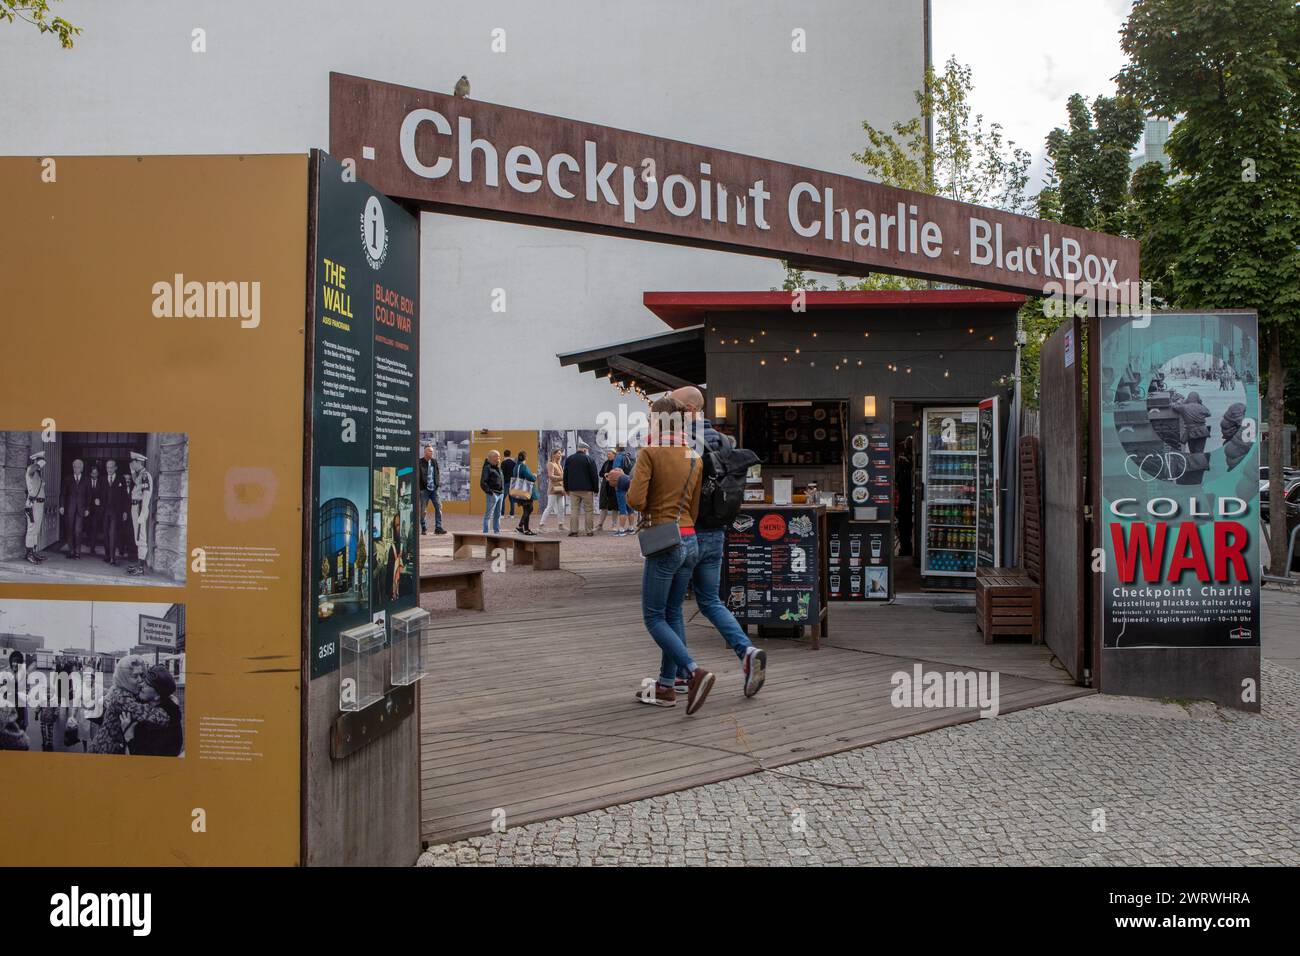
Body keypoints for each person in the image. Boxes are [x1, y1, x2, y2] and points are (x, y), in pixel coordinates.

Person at [669, 385, 767, 698]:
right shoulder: (724, 440)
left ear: (688, 410)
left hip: (688, 532)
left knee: (671, 609)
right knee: (710, 600)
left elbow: (672, 486)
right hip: (716, 531)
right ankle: (747, 653)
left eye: (673, 405)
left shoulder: (683, 441)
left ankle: (683, 676)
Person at [626, 397, 715, 714]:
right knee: (673, 611)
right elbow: (693, 508)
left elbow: (635, 500)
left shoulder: (649, 452)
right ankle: (665, 685)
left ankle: (692, 672)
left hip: (664, 541)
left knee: (653, 616)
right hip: (691, 539)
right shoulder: (695, 455)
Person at [88, 655, 171, 756]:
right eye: (135, 676)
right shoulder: (121, 698)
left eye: (142, 675)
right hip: (105, 751)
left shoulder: (126, 691)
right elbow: (162, 718)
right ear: (124, 679)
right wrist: (167, 700)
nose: (140, 680)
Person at [130, 665, 183, 757]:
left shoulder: (165, 724)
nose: (141, 685)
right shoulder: (143, 705)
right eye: (144, 681)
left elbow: (145, 759)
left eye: (147, 684)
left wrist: (129, 736)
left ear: (157, 696)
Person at [563, 441, 600, 536]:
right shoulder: (589, 459)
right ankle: (589, 531)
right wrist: (596, 489)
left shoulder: (569, 459)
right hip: (587, 490)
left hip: (573, 489)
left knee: (574, 510)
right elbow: (594, 476)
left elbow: (565, 475)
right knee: (588, 510)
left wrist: (566, 488)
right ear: (584, 449)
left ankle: (574, 531)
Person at [126, 451, 152, 576]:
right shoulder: (141, 474)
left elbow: (146, 495)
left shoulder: (145, 475)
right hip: (136, 507)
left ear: (139, 462)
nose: (132, 464)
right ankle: (139, 564)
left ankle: (141, 568)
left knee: (141, 538)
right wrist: (132, 472)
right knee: (138, 536)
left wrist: (143, 512)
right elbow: (137, 482)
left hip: (140, 508)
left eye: (133, 462)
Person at [59, 458, 90, 559]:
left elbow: (89, 496)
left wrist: (87, 508)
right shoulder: (67, 479)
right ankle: (71, 551)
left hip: (81, 510)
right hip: (69, 509)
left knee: (78, 530)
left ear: (82, 468)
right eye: (74, 467)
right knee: (70, 530)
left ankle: (78, 552)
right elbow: (63, 494)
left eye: (78, 467)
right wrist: (62, 506)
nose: (76, 469)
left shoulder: (86, 480)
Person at [102, 458, 128, 566]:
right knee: (105, 534)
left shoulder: (121, 479)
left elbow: (125, 497)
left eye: (111, 467)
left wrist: (125, 511)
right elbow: (98, 494)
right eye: (107, 467)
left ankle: (113, 557)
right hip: (104, 511)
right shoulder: (102, 479)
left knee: (112, 533)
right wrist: (97, 500)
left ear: (116, 467)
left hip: (116, 511)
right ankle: (107, 555)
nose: (109, 469)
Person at [24, 450, 47, 565]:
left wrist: (39, 466)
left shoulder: (37, 474)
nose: (42, 463)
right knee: (32, 529)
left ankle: (33, 551)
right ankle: (29, 554)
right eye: (40, 460)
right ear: (35, 461)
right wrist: (38, 464)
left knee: (36, 529)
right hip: (33, 504)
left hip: (39, 504)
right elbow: (29, 469)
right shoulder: (31, 471)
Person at [537, 448, 567, 533]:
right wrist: (562, 478)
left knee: (561, 507)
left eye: (560, 453)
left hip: (560, 489)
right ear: (553, 454)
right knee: (549, 507)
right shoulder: (551, 464)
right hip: (553, 489)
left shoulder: (559, 464)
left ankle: (561, 525)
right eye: (558, 453)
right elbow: (551, 476)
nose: (560, 455)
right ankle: (541, 525)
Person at [419, 444, 446, 535]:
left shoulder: (434, 461)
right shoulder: (420, 462)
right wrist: (421, 487)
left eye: (432, 451)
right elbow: (418, 476)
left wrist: (437, 484)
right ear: (425, 452)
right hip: (424, 490)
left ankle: (438, 527)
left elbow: (437, 473)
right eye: (430, 451)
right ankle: (424, 527)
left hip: (434, 490)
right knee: (423, 510)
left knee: (439, 507)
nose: (432, 453)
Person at [512, 450, 540, 535]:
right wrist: (534, 476)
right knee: (528, 509)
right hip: (526, 491)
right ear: (525, 458)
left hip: (519, 491)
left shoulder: (516, 467)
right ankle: (523, 527)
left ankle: (523, 528)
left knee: (527, 509)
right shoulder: (524, 466)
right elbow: (530, 477)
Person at [611, 445, 634, 536]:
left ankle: (621, 529)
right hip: (630, 482)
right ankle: (631, 528)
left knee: (622, 507)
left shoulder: (618, 457)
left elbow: (615, 470)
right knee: (630, 507)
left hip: (620, 482)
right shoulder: (629, 456)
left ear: (617, 449)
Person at [480, 450, 505, 533]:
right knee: (488, 515)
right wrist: (491, 492)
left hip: (500, 494)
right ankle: (486, 533)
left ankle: (497, 532)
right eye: (496, 456)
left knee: (497, 515)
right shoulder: (487, 468)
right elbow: (483, 483)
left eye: (499, 456)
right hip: (493, 494)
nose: (498, 458)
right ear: (491, 458)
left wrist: (502, 491)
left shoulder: (498, 467)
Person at [596, 449, 618, 532]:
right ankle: (600, 525)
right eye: (607, 454)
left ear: (614, 455)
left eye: (609, 454)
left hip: (614, 487)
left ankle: (614, 525)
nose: (608, 455)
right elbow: (600, 473)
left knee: (615, 507)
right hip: (605, 487)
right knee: (603, 506)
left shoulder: (617, 463)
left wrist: (612, 475)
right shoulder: (606, 463)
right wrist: (605, 474)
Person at [86, 465, 105, 557]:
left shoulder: (102, 481)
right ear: (90, 473)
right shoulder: (86, 481)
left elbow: (104, 493)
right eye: (93, 473)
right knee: (87, 527)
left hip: (96, 509)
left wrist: (99, 500)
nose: (95, 474)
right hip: (86, 508)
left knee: (94, 527)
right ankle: (89, 541)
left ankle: (92, 547)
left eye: (96, 473)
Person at [501, 449, 518, 519]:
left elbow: (502, 474)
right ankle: (512, 514)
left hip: (505, 483)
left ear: (504, 454)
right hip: (513, 482)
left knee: (502, 498)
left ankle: (502, 514)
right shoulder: (514, 463)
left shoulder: (503, 463)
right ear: (510, 454)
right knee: (512, 499)